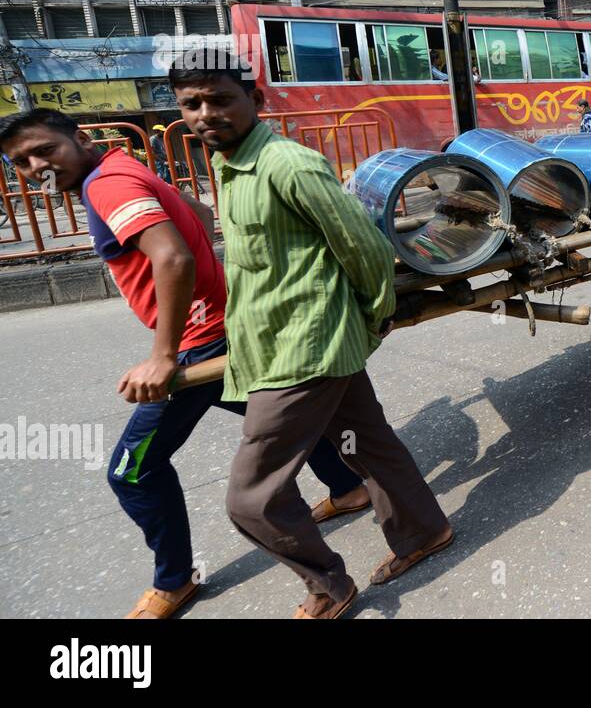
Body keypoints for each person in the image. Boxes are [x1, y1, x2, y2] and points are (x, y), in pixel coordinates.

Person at [0, 109, 368, 619]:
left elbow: (173, 257)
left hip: (198, 342)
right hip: (222, 325)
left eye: (46, 150)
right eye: (21, 161)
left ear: (80, 139)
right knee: (266, 415)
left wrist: (164, 356)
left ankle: (175, 580)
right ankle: (349, 488)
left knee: (133, 473)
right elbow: (199, 213)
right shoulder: (123, 168)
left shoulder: (107, 186)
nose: (37, 165)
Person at [170, 49, 453, 619]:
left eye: (220, 99)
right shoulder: (231, 165)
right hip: (287, 342)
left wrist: (375, 317)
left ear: (254, 100)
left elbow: (362, 246)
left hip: (303, 352)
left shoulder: (288, 165)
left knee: (252, 498)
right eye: (191, 104)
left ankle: (328, 587)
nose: (205, 113)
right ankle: (423, 531)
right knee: (369, 444)